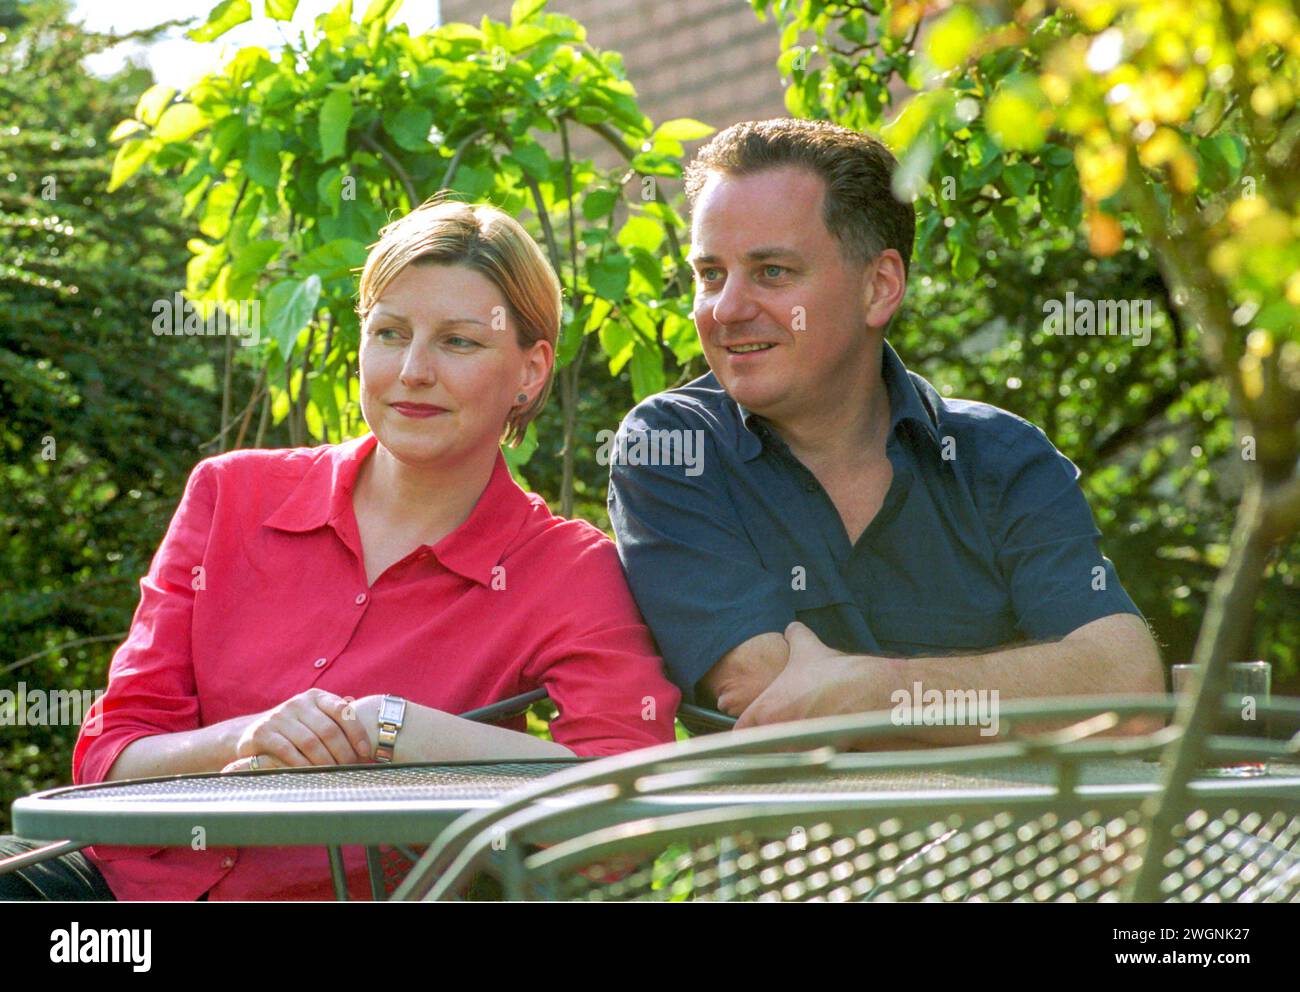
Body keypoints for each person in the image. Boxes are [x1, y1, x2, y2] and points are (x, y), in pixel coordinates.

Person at [1, 197, 679, 901]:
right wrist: (247, 738)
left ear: (531, 372)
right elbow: (109, 758)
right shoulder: (230, 495)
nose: (413, 370)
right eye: (389, 333)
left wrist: (394, 728)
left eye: (460, 342)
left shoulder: (565, 570)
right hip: (114, 894)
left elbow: (621, 832)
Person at [607, 118, 1163, 742]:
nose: (727, 309)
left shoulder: (1001, 457)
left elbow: (1129, 690)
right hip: (794, 839)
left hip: (1013, 842)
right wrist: (1028, 692)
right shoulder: (673, 449)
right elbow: (768, 695)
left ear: (879, 287)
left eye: (771, 273)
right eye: (710, 274)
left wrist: (872, 689)